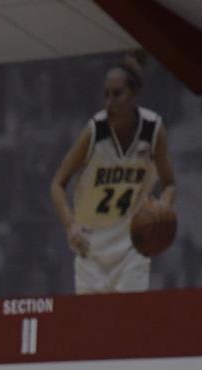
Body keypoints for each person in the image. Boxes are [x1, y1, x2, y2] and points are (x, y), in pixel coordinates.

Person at [49, 51, 176, 295]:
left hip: (133, 247)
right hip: (91, 248)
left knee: (127, 328)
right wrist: (70, 225)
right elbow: (57, 184)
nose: (109, 102)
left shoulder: (153, 129)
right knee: (92, 331)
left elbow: (170, 184)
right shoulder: (94, 131)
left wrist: (162, 206)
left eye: (117, 94)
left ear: (134, 95)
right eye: (106, 95)